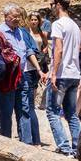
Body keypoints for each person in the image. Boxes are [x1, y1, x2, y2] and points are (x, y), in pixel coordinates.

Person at [41, 0, 81, 155]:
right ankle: (78, 148)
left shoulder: (58, 24)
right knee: (71, 113)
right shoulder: (75, 26)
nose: (51, 8)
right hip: (74, 74)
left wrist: (53, 73)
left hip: (61, 75)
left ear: (58, 5)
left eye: (52, 5)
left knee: (52, 112)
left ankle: (64, 147)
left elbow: (58, 49)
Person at [0, 4, 42, 143]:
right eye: (14, 16)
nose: (17, 19)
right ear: (6, 16)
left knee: (24, 110)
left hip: (22, 76)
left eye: (18, 16)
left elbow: (27, 51)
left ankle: (26, 143)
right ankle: (5, 142)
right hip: (7, 78)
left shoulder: (21, 32)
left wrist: (39, 69)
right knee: (6, 112)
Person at [25, 13, 49, 145]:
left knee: (32, 93)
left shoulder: (42, 34)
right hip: (29, 65)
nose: (34, 22)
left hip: (38, 65)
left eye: (36, 20)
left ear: (39, 22)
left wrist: (44, 51)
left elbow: (46, 46)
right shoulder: (26, 33)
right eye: (32, 20)